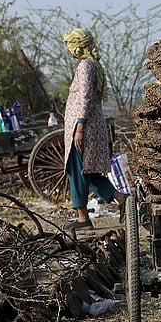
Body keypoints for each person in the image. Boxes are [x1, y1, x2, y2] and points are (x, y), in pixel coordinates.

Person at [61, 28, 126, 230]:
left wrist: (79, 126)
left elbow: (85, 97)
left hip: (84, 128)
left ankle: (82, 218)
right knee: (88, 172)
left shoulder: (85, 66)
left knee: (78, 171)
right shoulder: (91, 65)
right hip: (88, 125)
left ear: (77, 46)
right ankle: (121, 198)